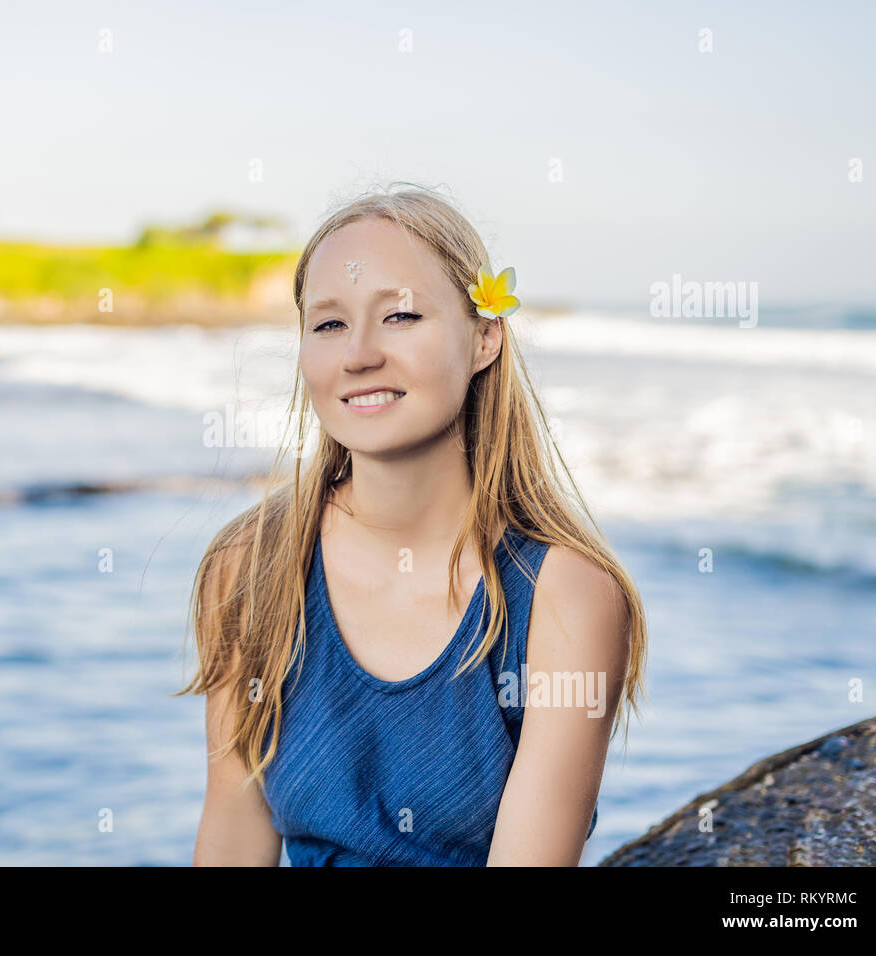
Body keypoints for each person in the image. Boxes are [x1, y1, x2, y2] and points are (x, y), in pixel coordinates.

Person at [181, 184, 648, 866]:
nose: (359, 354)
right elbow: (232, 828)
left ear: (486, 335)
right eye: (329, 324)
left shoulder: (565, 596)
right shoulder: (250, 565)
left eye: (400, 316)